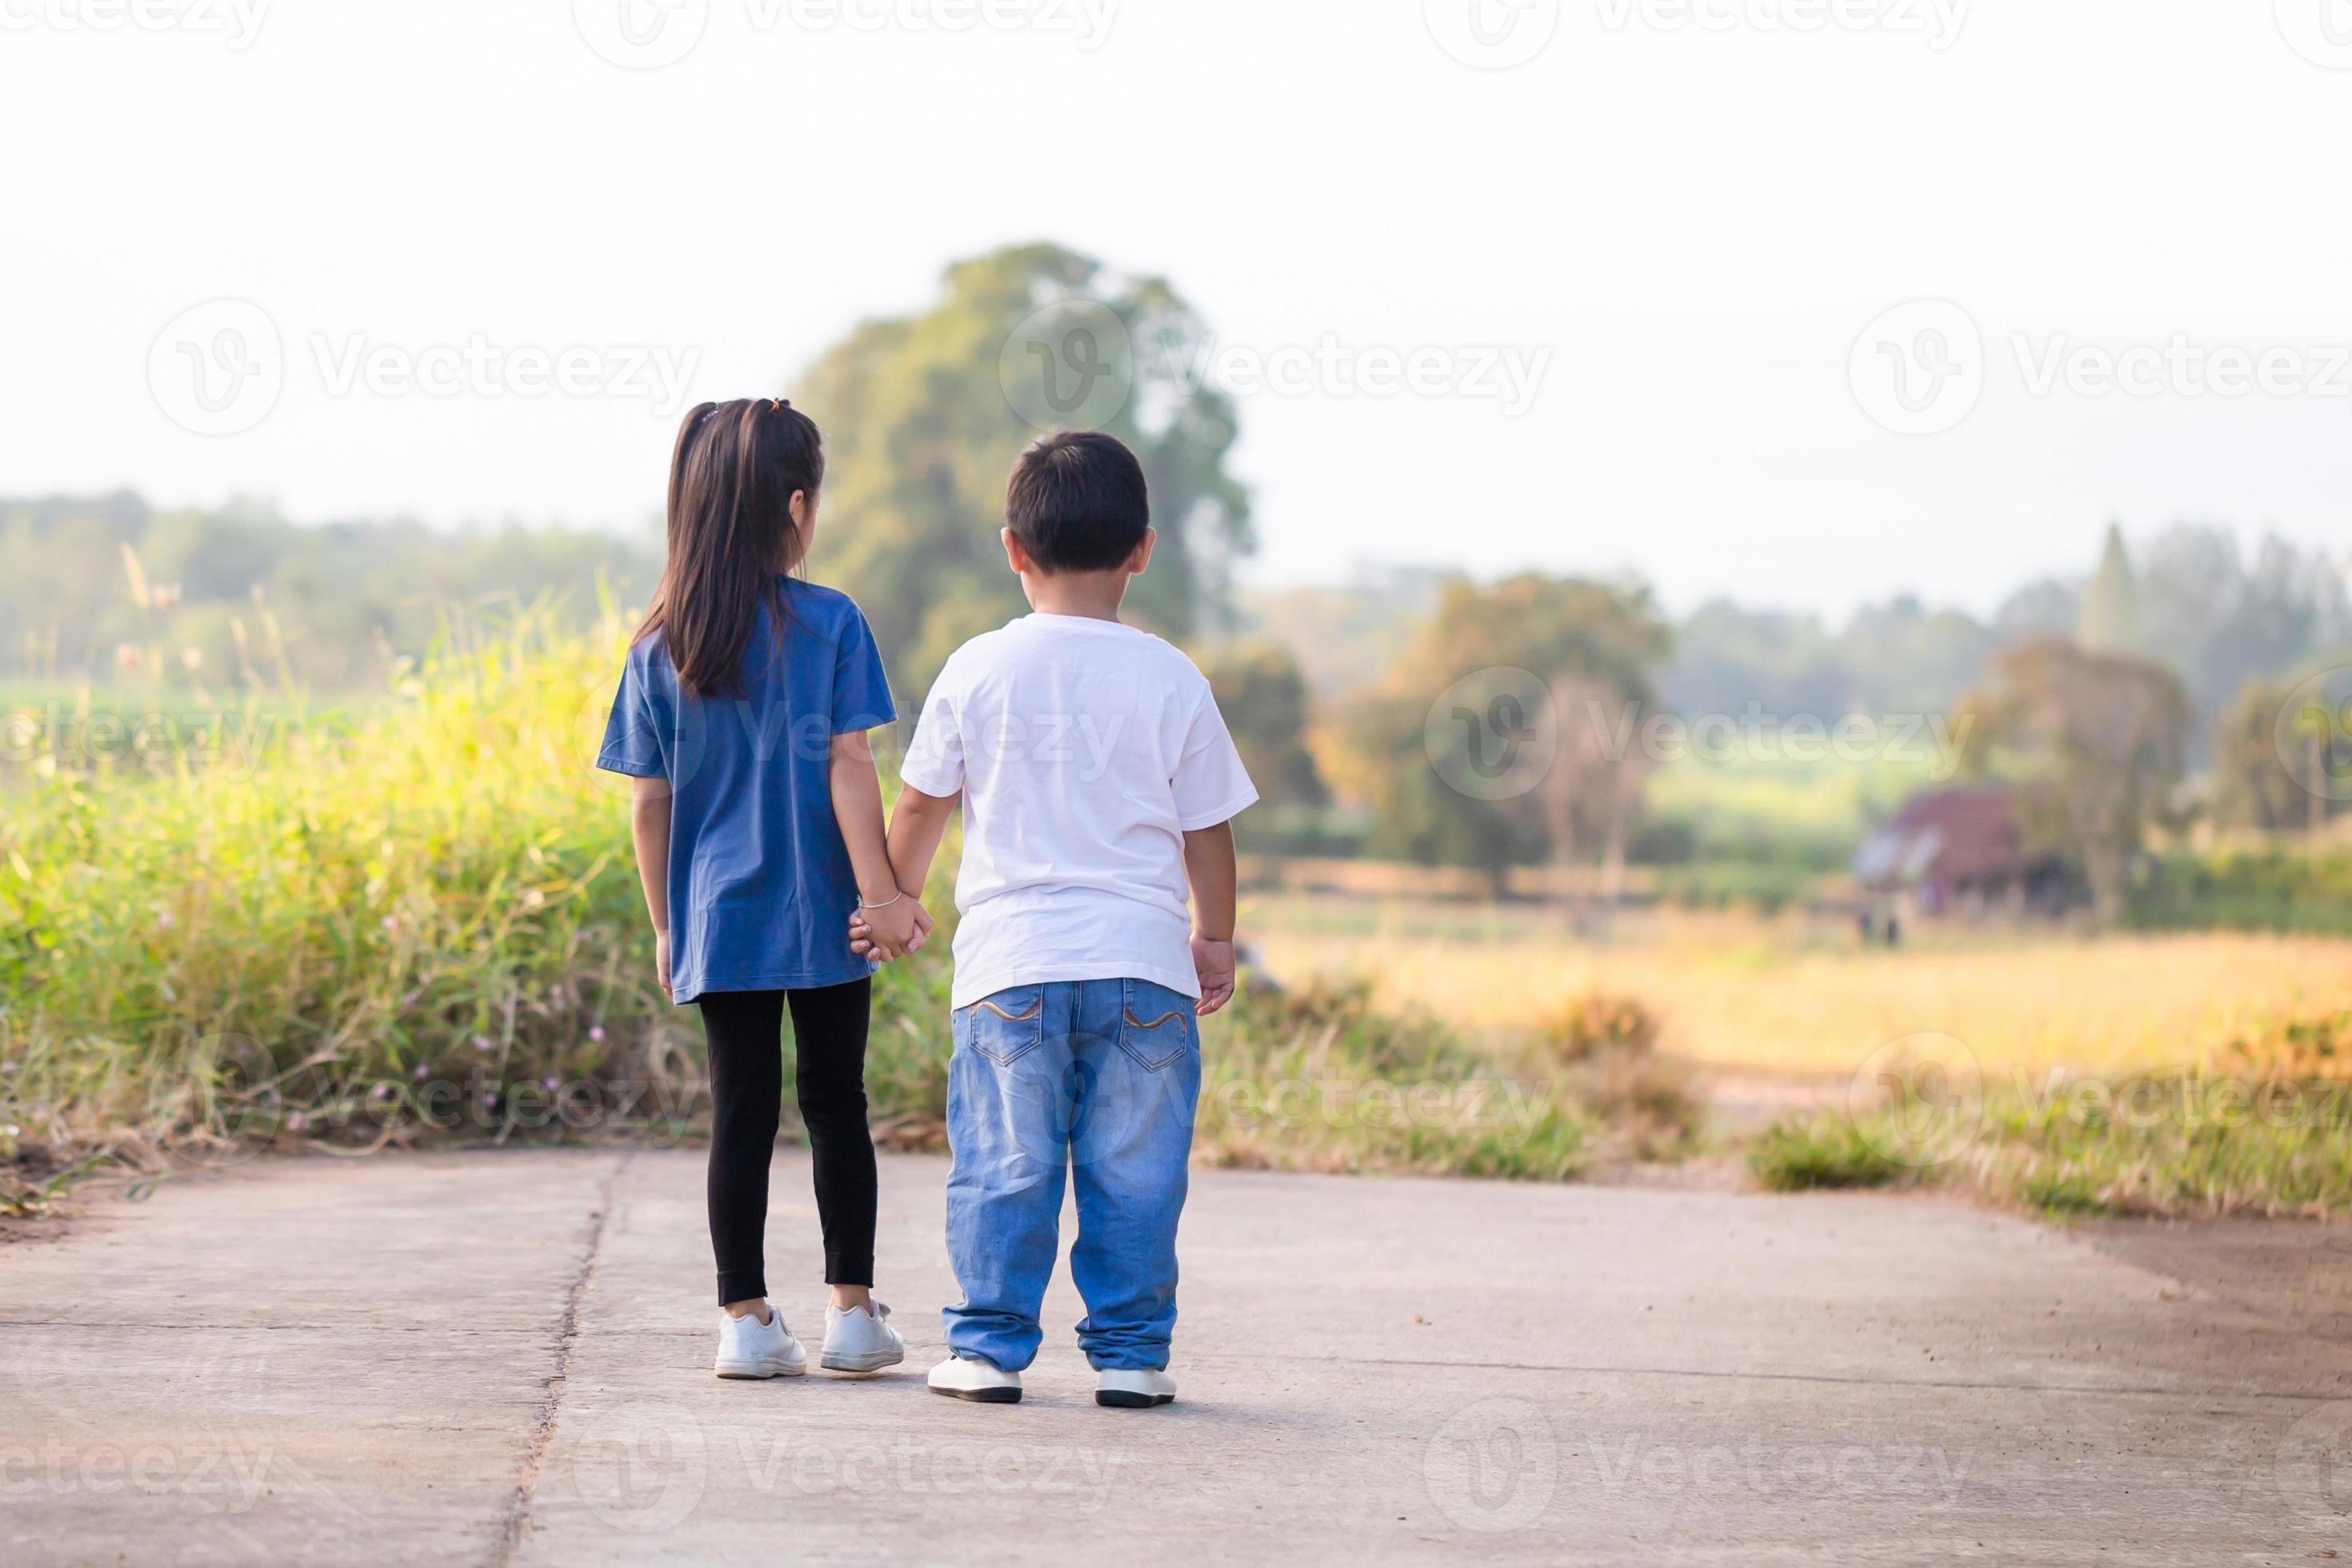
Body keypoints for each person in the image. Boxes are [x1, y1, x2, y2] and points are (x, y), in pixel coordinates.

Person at [853, 429, 1257, 1409]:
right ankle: (1130, 1356)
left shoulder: (979, 666)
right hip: (1145, 970)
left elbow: (919, 807)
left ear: (1013, 549)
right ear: (1142, 550)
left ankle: (988, 1350)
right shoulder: (1171, 678)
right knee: (1137, 1172)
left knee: (1004, 1161)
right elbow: (1208, 833)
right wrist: (1212, 935)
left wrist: (895, 902)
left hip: (1011, 968)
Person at [599, 397, 929, 1381]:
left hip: (720, 919)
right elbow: (848, 765)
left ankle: (744, 1321)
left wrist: (667, 924)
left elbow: (649, 804)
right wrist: (879, 899)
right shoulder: (829, 622)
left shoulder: (659, 646)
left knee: (738, 1113)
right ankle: (853, 1313)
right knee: (838, 1102)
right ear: (795, 506)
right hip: (826, 918)